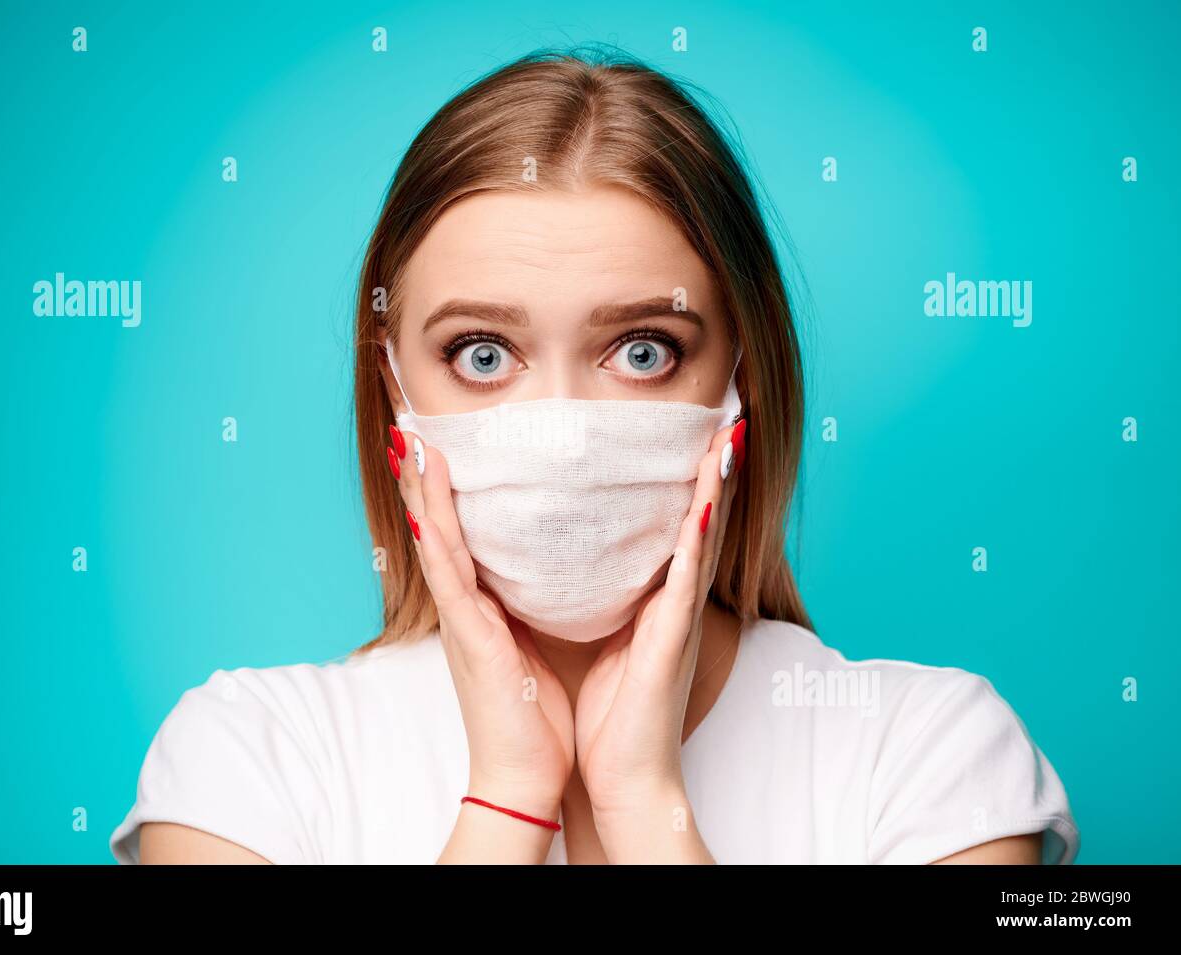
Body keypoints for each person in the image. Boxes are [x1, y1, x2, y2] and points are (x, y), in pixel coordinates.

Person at [110, 47, 1079, 865]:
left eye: (643, 350)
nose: (564, 426)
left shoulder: (936, 759)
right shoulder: (245, 765)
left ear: (742, 380)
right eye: (481, 355)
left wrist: (644, 807)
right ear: (393, 396)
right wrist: (506, 799)